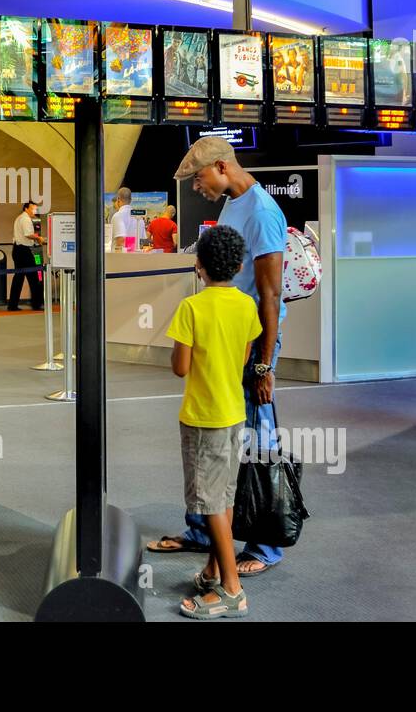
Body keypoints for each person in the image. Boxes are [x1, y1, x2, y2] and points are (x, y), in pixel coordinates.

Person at [149, 136, 289, 577]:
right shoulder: (233, 205)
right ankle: (205, 531)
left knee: (254, 437)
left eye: (198, 178)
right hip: (227, 336)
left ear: (223, 167)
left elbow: (269, 294)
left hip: (250, 340)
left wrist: (263, 366)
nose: (196, 188)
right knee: (218, 436)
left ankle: (265, 545)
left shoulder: (264, 212)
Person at [166, 225, 262, 619]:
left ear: (199, 265)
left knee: (210, 503)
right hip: (233, 414)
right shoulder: (247, 306)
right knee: (224, 495)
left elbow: (179, 367)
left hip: (203, 418)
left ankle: (232, 590)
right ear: (239, 266)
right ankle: (213, 569)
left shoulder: (191, 308)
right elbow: (242, 358)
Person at [7, 201, 44, 311]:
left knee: (18, 277)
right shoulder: (25, 219)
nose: (35, 211)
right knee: (34, 276)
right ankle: (36, 304)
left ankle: (12, 305)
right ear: (26, 208)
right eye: (33, 209)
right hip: (25, 251)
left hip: (18, 249)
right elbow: (28, 234)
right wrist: (39, 238)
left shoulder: (19, 218)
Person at [110, 187, 143, 252]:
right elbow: (143, 240)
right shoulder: (139, 218)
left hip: (122, 259)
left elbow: (120, 240)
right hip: (136, 257)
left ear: (118, 199)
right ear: (130, 200)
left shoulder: (118, 216)